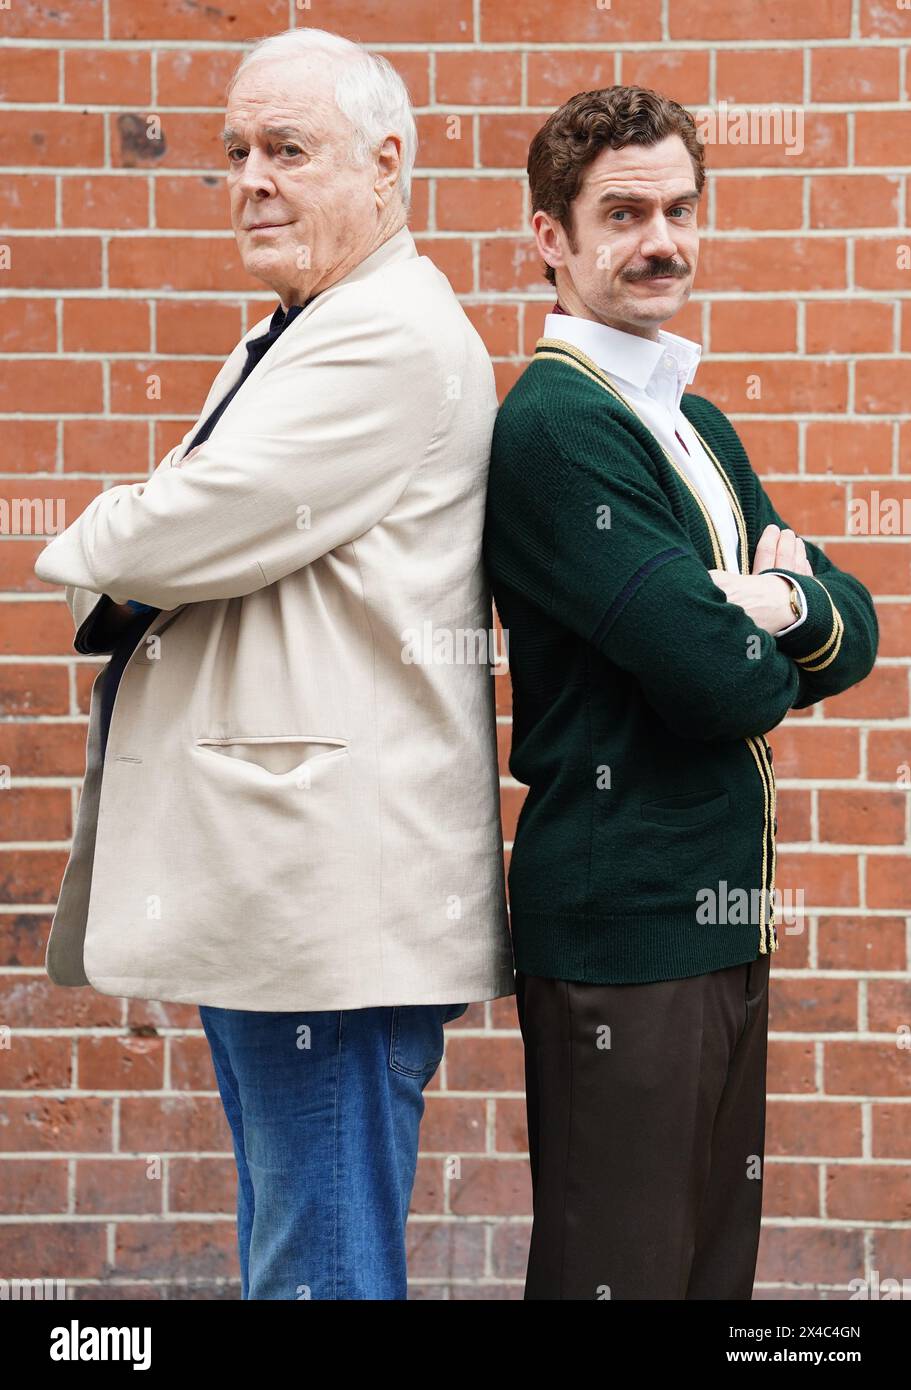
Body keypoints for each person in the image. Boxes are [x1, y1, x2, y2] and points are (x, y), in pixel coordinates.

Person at [33, 27, 514, 1300]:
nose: (250, 178)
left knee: (319, 1261)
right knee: (298, 1248)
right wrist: (144, 528)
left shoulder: (384, 336)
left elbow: (182, 527)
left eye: (288, 150)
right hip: (286, 893)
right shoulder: (304, 328)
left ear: (386, 164)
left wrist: (96, 533)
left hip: (326, 906)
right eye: (237, 149)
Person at [483, 85, 879, 1300]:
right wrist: (759, 617)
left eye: (679, 209)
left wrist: (775, 602)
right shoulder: (557, 430)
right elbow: (718, 684)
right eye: (622, 214)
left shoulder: (691, 419)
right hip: (622, 928)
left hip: (718, 920)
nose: (661, 241)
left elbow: (852, 631)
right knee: (621, 1276)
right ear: (550, 237)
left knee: (711, 1279)